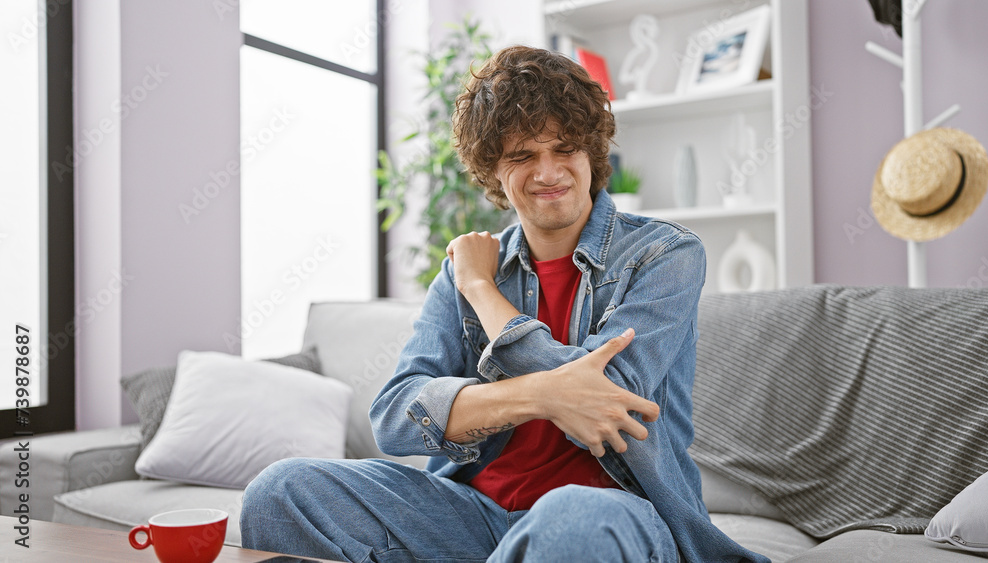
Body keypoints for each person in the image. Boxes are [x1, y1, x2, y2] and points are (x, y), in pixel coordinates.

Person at [241, 45, 767, 563]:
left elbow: (609, 403)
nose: (548, 172)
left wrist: (482, 293)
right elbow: (396, 415)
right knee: (281, 490)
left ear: (591, 151)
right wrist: (543, 394)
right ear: (492, 170)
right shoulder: (463, 268)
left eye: (565, 149)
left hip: (610, 514)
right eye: (522, 156)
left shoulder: (663, 254)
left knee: (570, 519)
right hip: (471, 516)